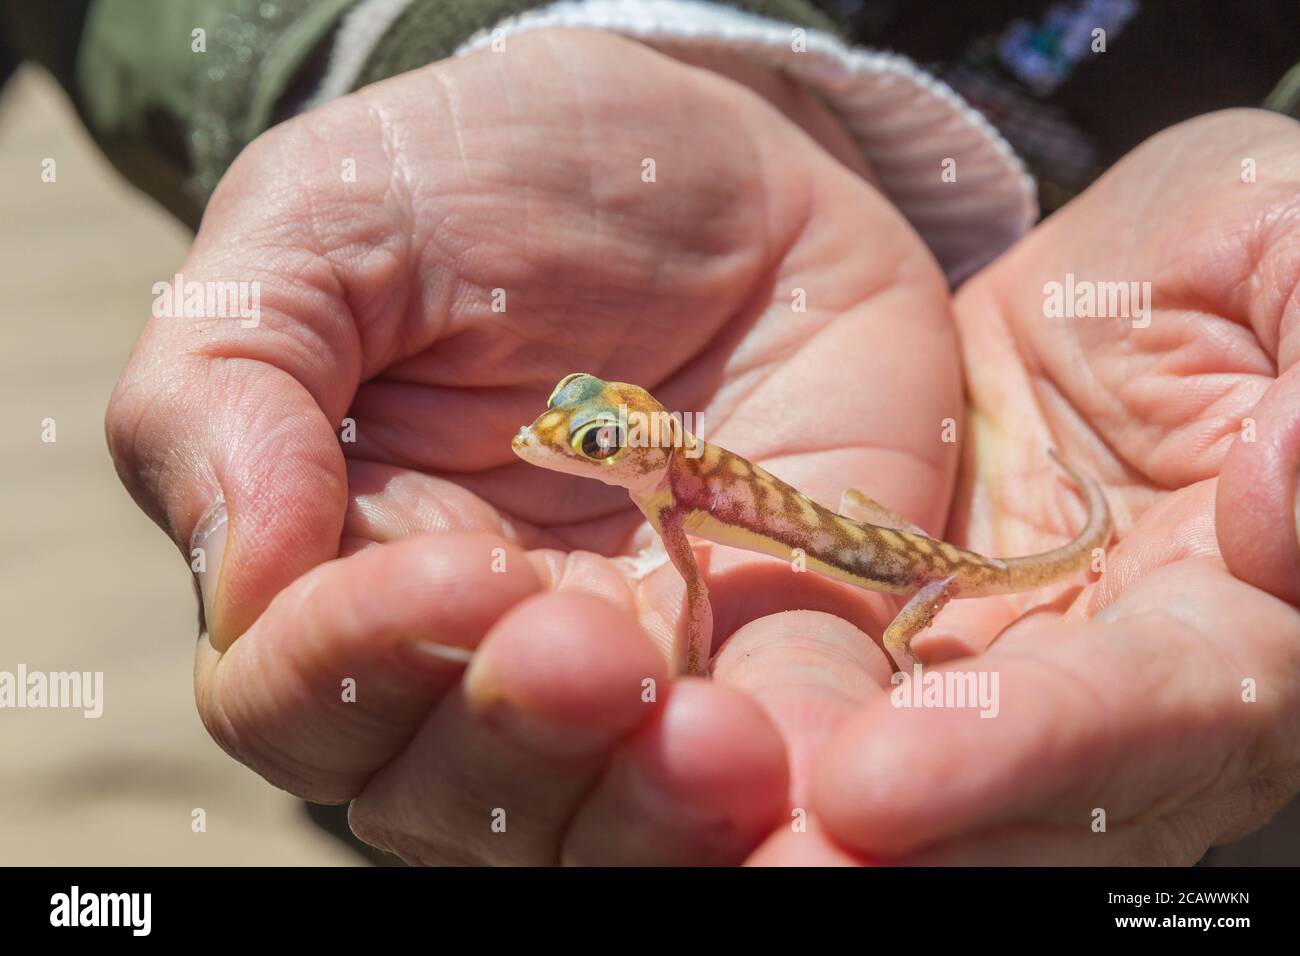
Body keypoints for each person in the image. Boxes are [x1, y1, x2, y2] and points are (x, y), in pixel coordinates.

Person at [7, 1, 1300, 865]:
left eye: (586, 443)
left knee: (917, 671)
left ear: (636, 456)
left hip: (913, 579)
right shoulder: (675, 482)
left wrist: (873, 646)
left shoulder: (674, 504)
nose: (563, 446)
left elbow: (686, 581)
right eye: (579, 438)